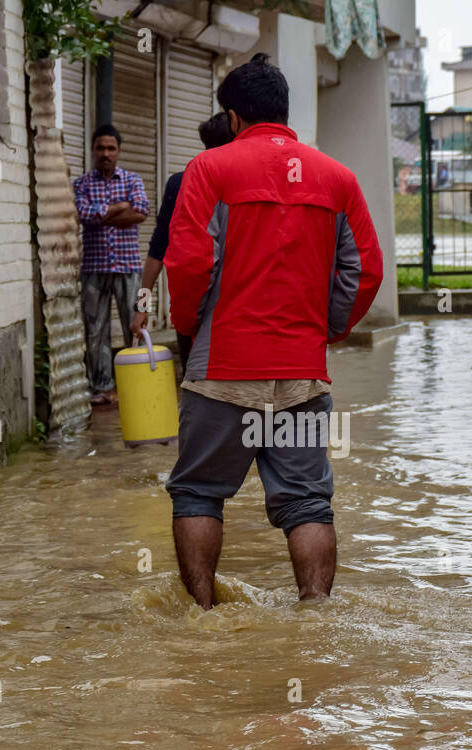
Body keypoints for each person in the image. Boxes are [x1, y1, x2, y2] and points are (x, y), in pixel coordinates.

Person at [162, 53, 383, 610]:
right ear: (285, 113)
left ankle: (204, 621)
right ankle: (314, 612)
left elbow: (187, 264)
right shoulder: (338, 178)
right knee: (308, 503)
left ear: (233, 117)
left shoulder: (209, 170)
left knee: (197, 494)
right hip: (302, 376)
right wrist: (328, 328)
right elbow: (366, 270)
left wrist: (192, 328)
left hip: (221, 374)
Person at [129, 112, 234, 368]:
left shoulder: (180, 182)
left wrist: (142, 307)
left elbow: (157, 251)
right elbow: (158, 249)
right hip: (233, 308)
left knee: (196, 382)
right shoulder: (242, 182)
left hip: (192, 306)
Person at [72, 123, 150, 406]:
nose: (106, 153)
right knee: (95, 330)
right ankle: (102, 388)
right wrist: (119, 207)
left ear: (119, 151)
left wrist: (103, 214)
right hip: (93, 267)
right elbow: (84, 214)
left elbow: (141, 210)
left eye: (111, 148)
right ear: (93, 150)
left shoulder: (132, 180)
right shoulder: (81, 184)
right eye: (101, 148)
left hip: (128, 265)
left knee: (135, 326)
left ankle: (136, 383)